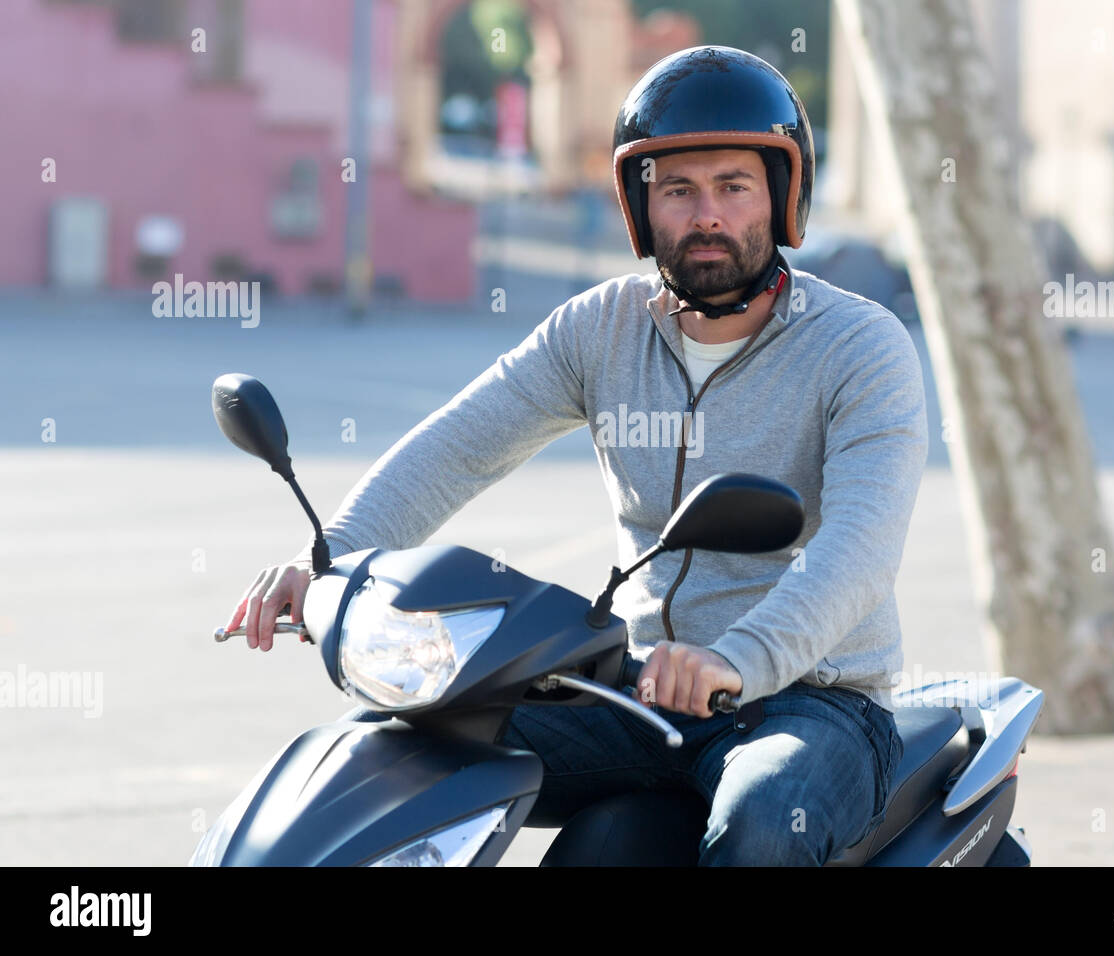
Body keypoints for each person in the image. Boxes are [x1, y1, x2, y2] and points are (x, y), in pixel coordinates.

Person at [224, 45, 928, 866]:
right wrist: (330, 559)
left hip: (815, 704)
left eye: (733, 186)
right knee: (385, 759)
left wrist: (738, 658)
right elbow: (457, 449)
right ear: (642, 205)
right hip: (640, 694)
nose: (707, 214)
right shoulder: (600, 329)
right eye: (677, 189)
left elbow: (859, 549)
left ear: (782, 194)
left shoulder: (859, 347)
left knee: (765, 822)